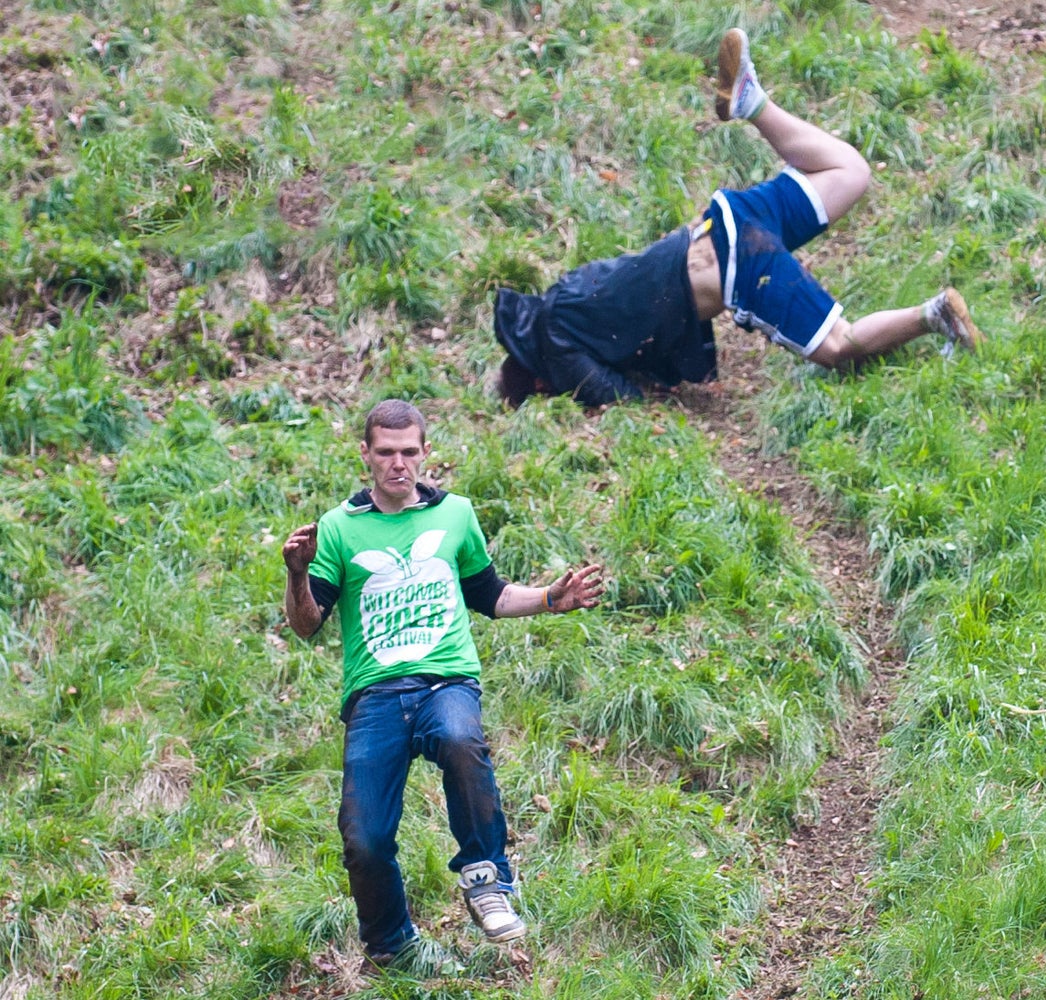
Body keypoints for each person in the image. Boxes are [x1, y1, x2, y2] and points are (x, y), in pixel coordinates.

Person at [493, 28, 984, 410]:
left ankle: (933, 313)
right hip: (725, 220)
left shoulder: (557, 350)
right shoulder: (562, 299)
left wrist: (578, 388)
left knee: (839, 348)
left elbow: (618, 395)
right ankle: (754, 103)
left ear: (539, 380)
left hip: (738, 262)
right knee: (850, 171)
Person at [281, 399, 605, 964]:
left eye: (409, 451)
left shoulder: (456, 515)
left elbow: (490, 595)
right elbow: (308, 624)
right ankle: (392, 949)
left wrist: (552, 599)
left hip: (445, 681)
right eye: (386, 452)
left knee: (460, 738)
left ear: (426, 452)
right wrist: (297, 571)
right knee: (364, 839)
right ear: (366, 455)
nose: (398, 464)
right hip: (375, 695)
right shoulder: (337, 529)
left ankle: (488, 879)